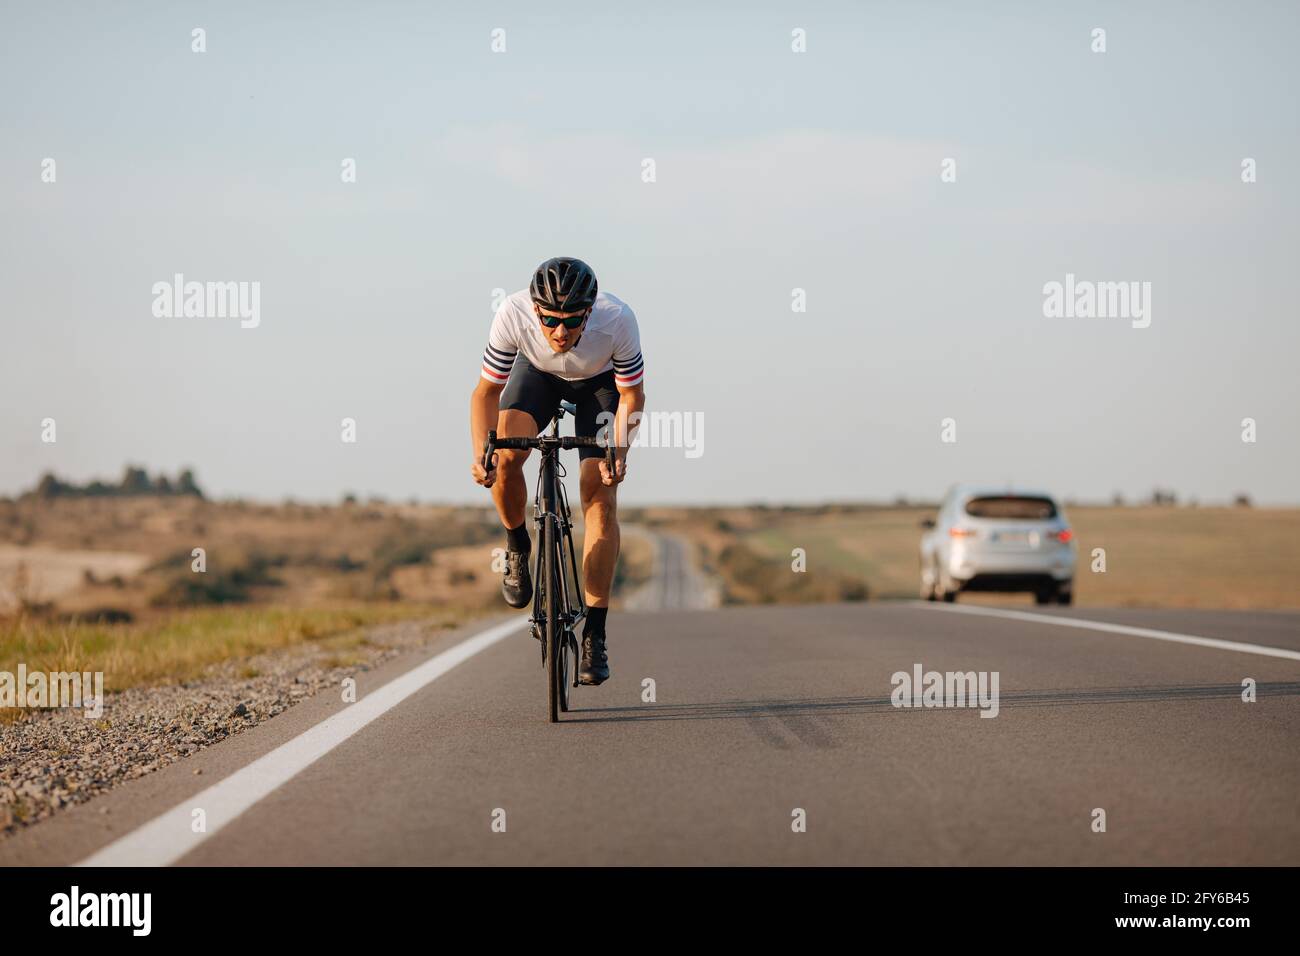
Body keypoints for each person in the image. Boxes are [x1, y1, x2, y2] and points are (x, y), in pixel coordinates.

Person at [470, 257, 645, 685]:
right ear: (535, 311)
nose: (560, 332)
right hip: (538, 377)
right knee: (507, 458)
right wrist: (483, 452)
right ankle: (517, 547)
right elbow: (486, 392)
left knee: (599, 499)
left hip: (599, 388)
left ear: (589, 312)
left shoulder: (617, 320)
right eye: (549, 320)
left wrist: (619, 450)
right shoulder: (512, 313)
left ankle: (595, 635)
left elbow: (632, 397)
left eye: (570, 321)